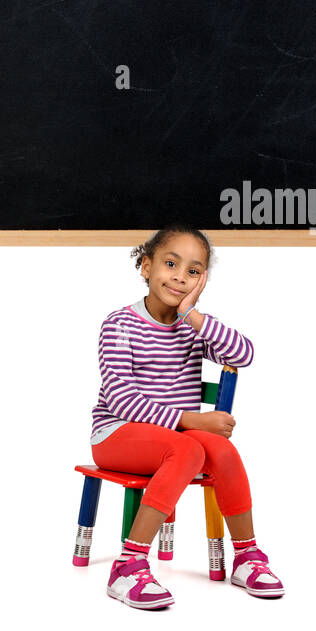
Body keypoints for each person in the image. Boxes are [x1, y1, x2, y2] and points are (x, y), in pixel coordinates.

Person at [90, 224, 281, 609]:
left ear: (203, 280)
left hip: (173, 441)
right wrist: (193, 420)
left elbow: (244, 355)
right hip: (116, 436)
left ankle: (246, 555)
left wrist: (193, 316)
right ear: (146, 266)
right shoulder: (119, 324)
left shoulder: (193, 329)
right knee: (189, 449)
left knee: (223, 452)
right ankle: (128, 566)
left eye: (193, 271)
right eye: (170, 264)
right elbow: (123, 400)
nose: (179, 276)